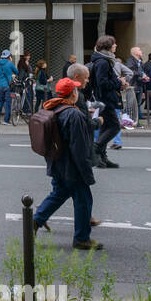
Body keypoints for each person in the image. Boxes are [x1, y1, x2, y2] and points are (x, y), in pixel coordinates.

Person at [32, 78, 103, 250]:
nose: (77, 93)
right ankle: (81, 238)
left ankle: (35, 221)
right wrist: (86, 172)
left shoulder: (51, 107)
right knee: (84, 200)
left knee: (60, 192)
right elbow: (78, 147)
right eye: (76, 90)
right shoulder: (74, 114)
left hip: (55, 161)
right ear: (73, 94)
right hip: (71, 166)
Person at [89, 35, 124, 168]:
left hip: (104, 99)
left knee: (105, 126)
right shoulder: (103, 62)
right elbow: (102, 82)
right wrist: (118, 82)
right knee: (114, 126)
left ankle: (102, 158)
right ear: (108, 46)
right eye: (114, 44)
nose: (116, 46)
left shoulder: (104, 60)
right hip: (105, 99)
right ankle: (96, 148)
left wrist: (117, 82)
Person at [125, 46, 149, 126]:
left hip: (139, 85)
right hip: (132, 86)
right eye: (139, 50)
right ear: (134, 52)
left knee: (137, 104)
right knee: (131, 105)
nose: (141, 51)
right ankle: (129, 122)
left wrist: (145, 77)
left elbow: (141, 72)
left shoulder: (140, 61)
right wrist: (141, 74)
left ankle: (136, 122)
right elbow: (130, 71)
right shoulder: (130, 61)